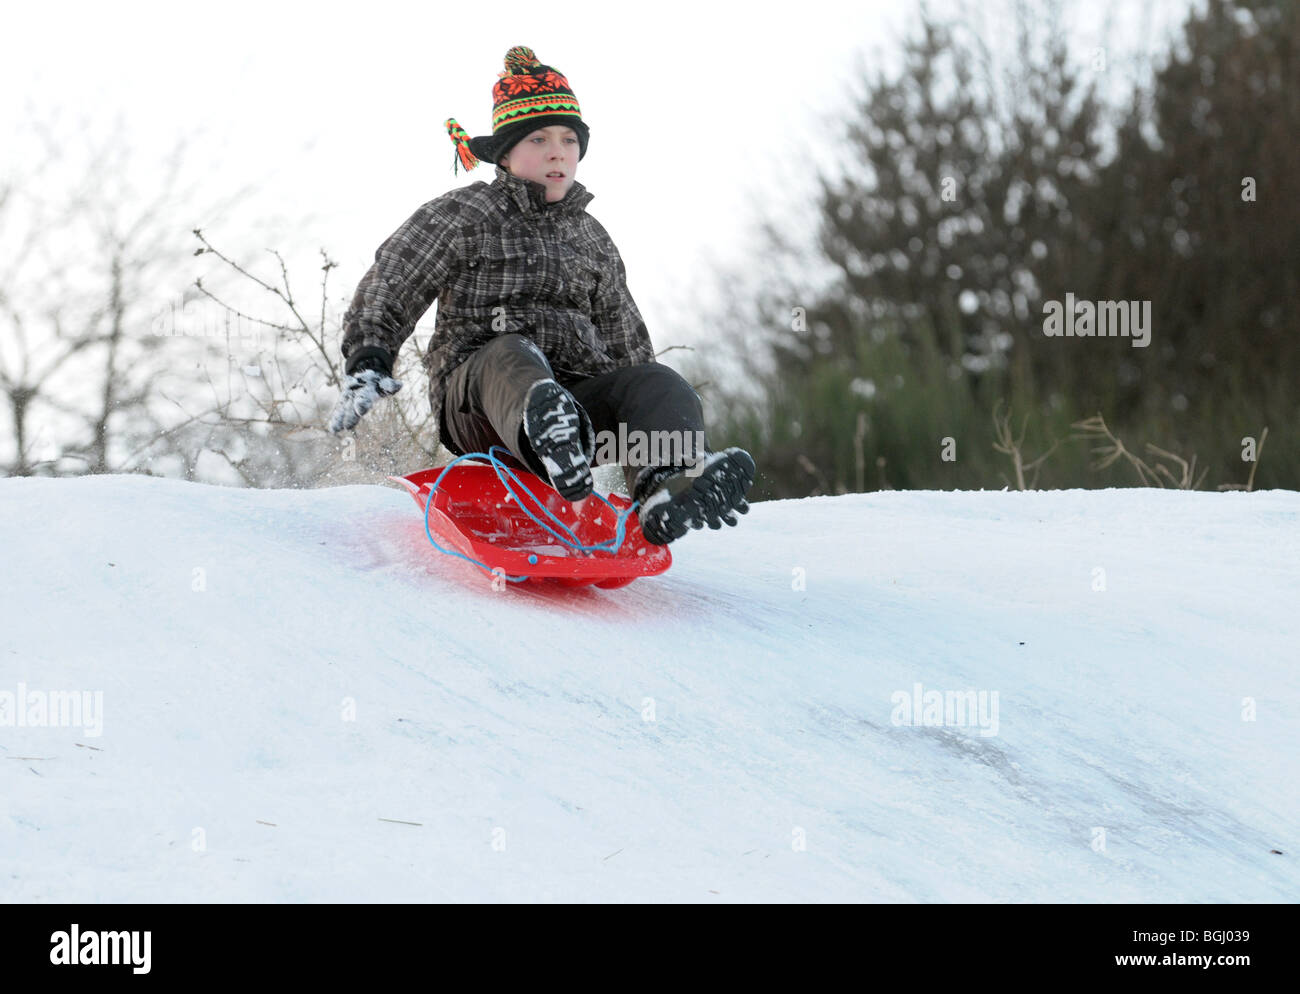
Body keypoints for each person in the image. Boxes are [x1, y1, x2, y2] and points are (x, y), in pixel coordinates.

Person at [328, 45, 754, 545]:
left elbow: (625, 341)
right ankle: (544, 427)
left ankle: (663, 487)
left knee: (658, 382)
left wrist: (643, 400)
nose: (558, 151)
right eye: (539, 138)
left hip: (579, 417)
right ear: (505, 155)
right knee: (511, 351)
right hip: (481, 402)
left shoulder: (592, 238)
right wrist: (371, 354)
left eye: (569, 140)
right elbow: (397, 273)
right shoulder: (466, 212)